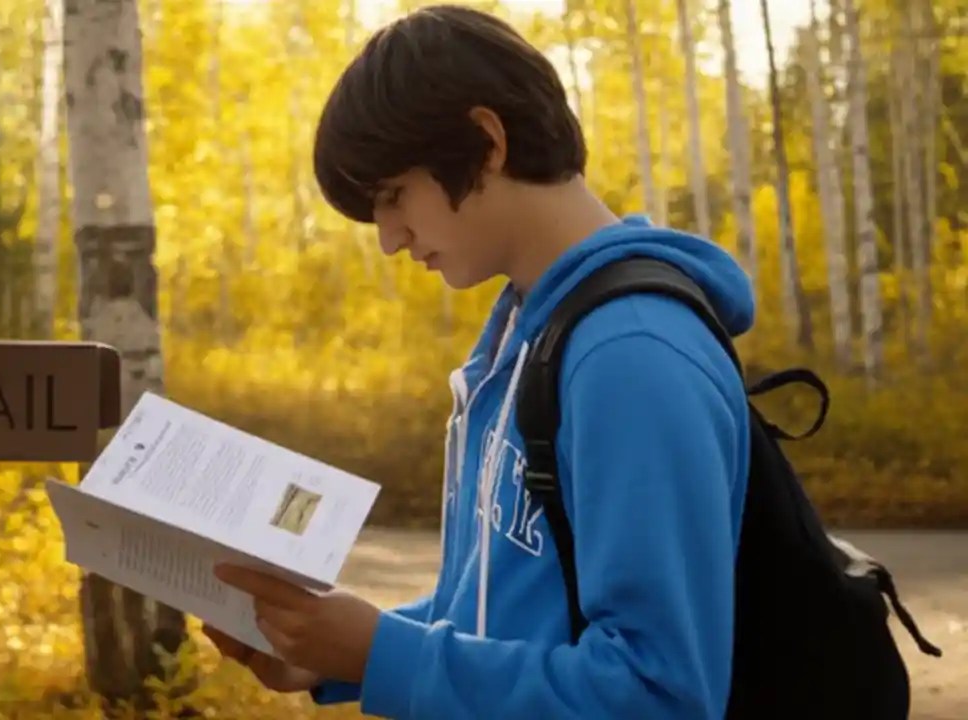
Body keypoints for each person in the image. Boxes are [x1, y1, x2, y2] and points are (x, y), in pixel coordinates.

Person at [206, 4, 755, 718]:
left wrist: (381, 653)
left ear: (485, 141)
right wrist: (330, 649)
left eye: (394, 196)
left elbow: (656, 695)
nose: (390, 239)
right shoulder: (524, 338)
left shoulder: (630, 356)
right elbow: (505, 612)